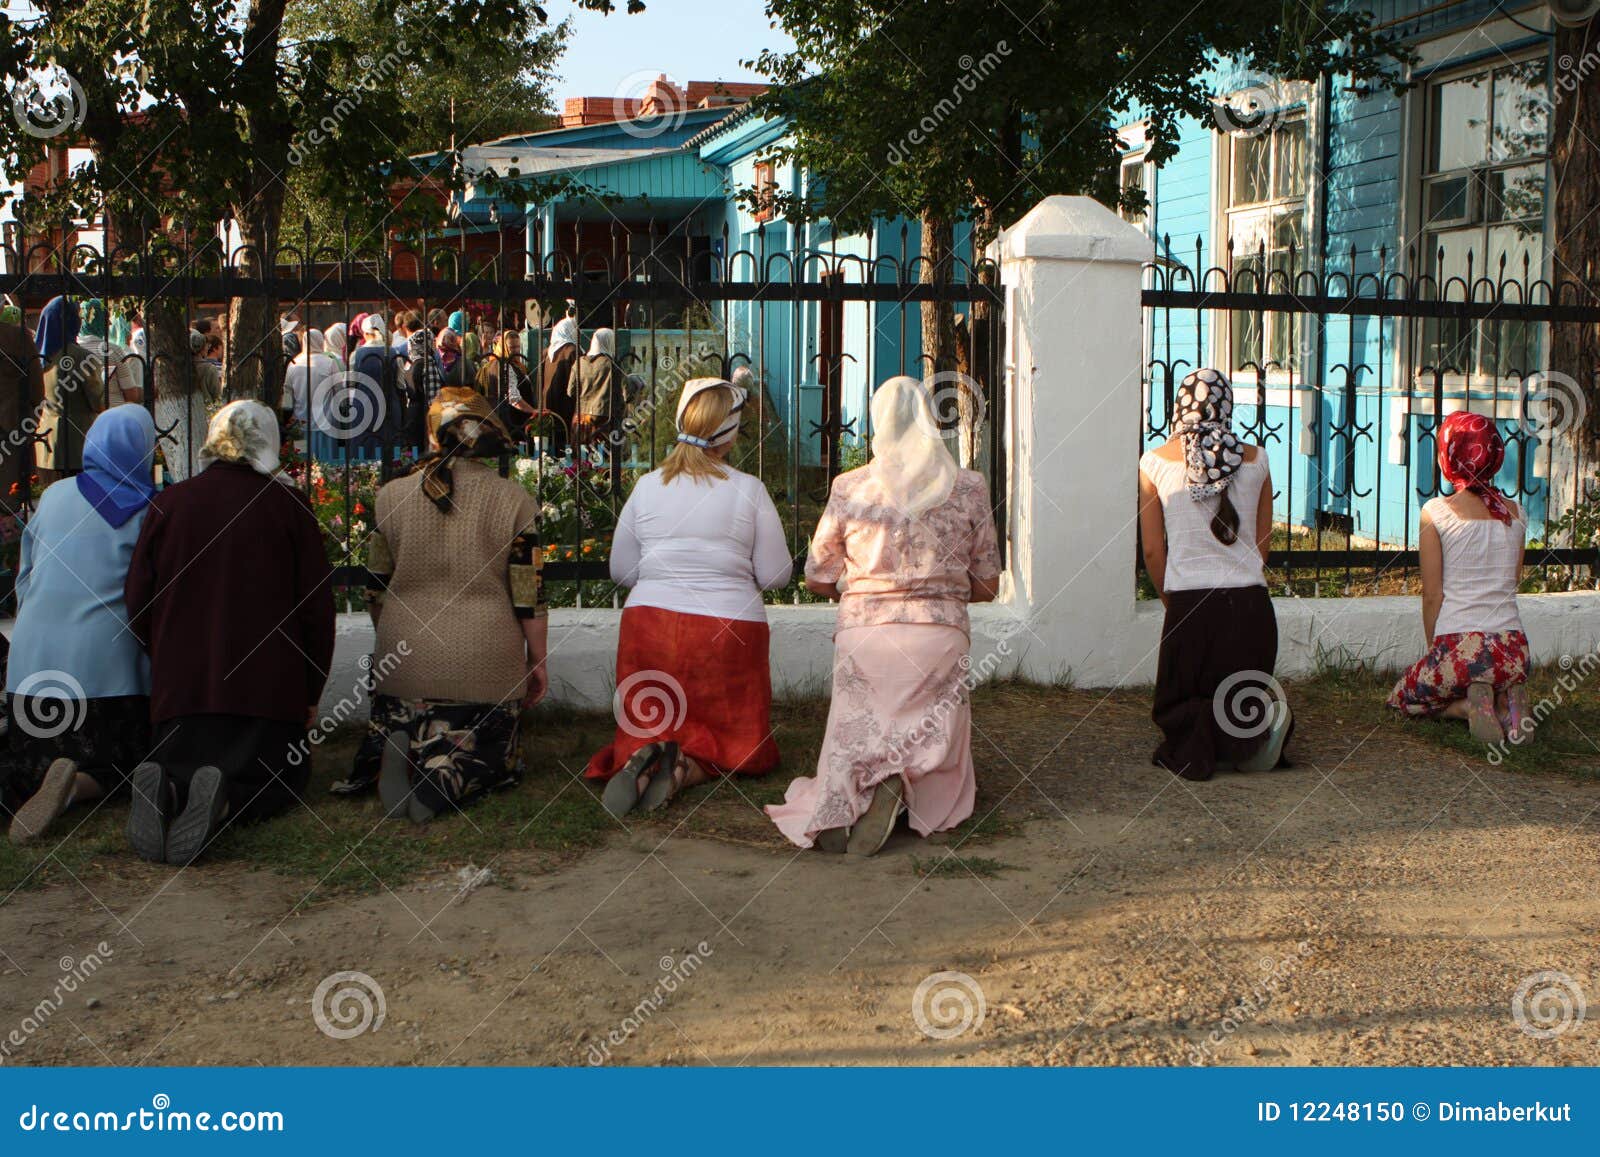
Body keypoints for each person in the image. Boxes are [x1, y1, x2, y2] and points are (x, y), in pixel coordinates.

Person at [766, 376, 1002, 855]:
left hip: (865, 633)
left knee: (856, 724)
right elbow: (988, 583)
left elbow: (815, 574)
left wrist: (863, 594)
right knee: (933, 725)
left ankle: (843, 799)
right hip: (939, 636)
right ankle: (907, 785)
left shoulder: (850, 486)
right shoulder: (969, 486)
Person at [125, 401, 334, 864]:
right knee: (278, 780)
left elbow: (139, 599)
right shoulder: (288, 505)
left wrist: (162, 658)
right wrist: (310, 687)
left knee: (180, 760)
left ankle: (171, 792)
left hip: (183, 695)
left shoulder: (169, 504)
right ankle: (224, 800)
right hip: (266, 695)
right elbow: (316, 608)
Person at [586, 377, 791, 817]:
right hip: (727, 633)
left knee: (656, 715)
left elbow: (622, 571)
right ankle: (690, 766)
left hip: (649, 630)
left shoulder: (646, 486)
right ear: (731, 434)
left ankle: (652, 751)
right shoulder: (749, 489)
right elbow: (776, 575)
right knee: (739, 745)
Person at [345, 388, 548, 821]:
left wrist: (392, 640)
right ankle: (443, 777)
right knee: (490, 751)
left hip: (403, 660)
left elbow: (374, 591)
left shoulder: (390, 497)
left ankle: (402, 744)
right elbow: (528, 597)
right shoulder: (515, 501)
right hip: (486, 660)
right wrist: (537, 660)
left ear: (434, 433)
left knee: (411, 715)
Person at [3, 407, 158, 842]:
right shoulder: (149, 510)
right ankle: (76, 785)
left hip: (32, 671)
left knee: (28, 759)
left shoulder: (54, 496)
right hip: (106, 676)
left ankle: (40, 780)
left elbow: (25, 577)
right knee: (132, 763)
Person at [1137, 368, 1290, 782]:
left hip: (1190, 606)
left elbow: (1153, 550)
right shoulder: (1257, 460)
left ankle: (1197, 744)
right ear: (1228, 406)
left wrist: (1171, 600)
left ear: (1178, 407)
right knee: (1240, 693)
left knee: (1183, 699)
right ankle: (1249, 739)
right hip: (1251, 610)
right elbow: (1262, 547)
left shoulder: (1154, 463)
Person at [1388, 411, 1529, 741]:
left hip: (1459, 647)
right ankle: (1508, 699)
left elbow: (1432, 594)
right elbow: (1514, 580)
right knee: (1493, 672)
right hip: (1513, 650)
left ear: (1448, 454)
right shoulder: (1517, 512)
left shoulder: (1435, 513)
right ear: (1494, 454)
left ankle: (1467, 707)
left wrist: (1434, 651)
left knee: (1402, 698)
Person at [34, 296, 105, 481]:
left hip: (44, 445)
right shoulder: (82, 357)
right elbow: (98, 402)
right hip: (78, 445)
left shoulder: (36, 358)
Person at [156, 330, 222, 484]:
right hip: (205, 414)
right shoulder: (208, 368)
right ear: (202, 348)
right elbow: (216, 394)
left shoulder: (176, 370)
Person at [0, 305, 42, 520]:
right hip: (11, 426)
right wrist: (31, 422)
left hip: (11, 426)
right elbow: (36, 388)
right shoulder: (18, 337)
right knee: (10, 502)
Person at [77, 298, 143, 407]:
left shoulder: (71, 350)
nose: (110, 323)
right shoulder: (113, 351)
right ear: (98, 320)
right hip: (114, 416)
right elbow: (131, 395)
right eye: (106, 317)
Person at [282, 327, 338, 436]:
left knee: (301, 451)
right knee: (324, 453)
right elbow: (339, 389)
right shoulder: (330, 363)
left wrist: (286, 415)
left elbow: (287, 392)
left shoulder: (294, 363)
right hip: (325, 422)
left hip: (300, 422)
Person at [539, 316, 580, 455]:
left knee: (551, 438)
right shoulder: (572, 351)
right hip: (566, 402)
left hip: (547, 402)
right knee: (566, 438)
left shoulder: (547, 352)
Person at [574, 327, 621, 448]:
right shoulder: (610, 364)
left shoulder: (578, 363)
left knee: (581, 456)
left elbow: (570, 391)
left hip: (581, 416)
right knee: (605, 455)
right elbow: (626, 392)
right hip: (604, 418)